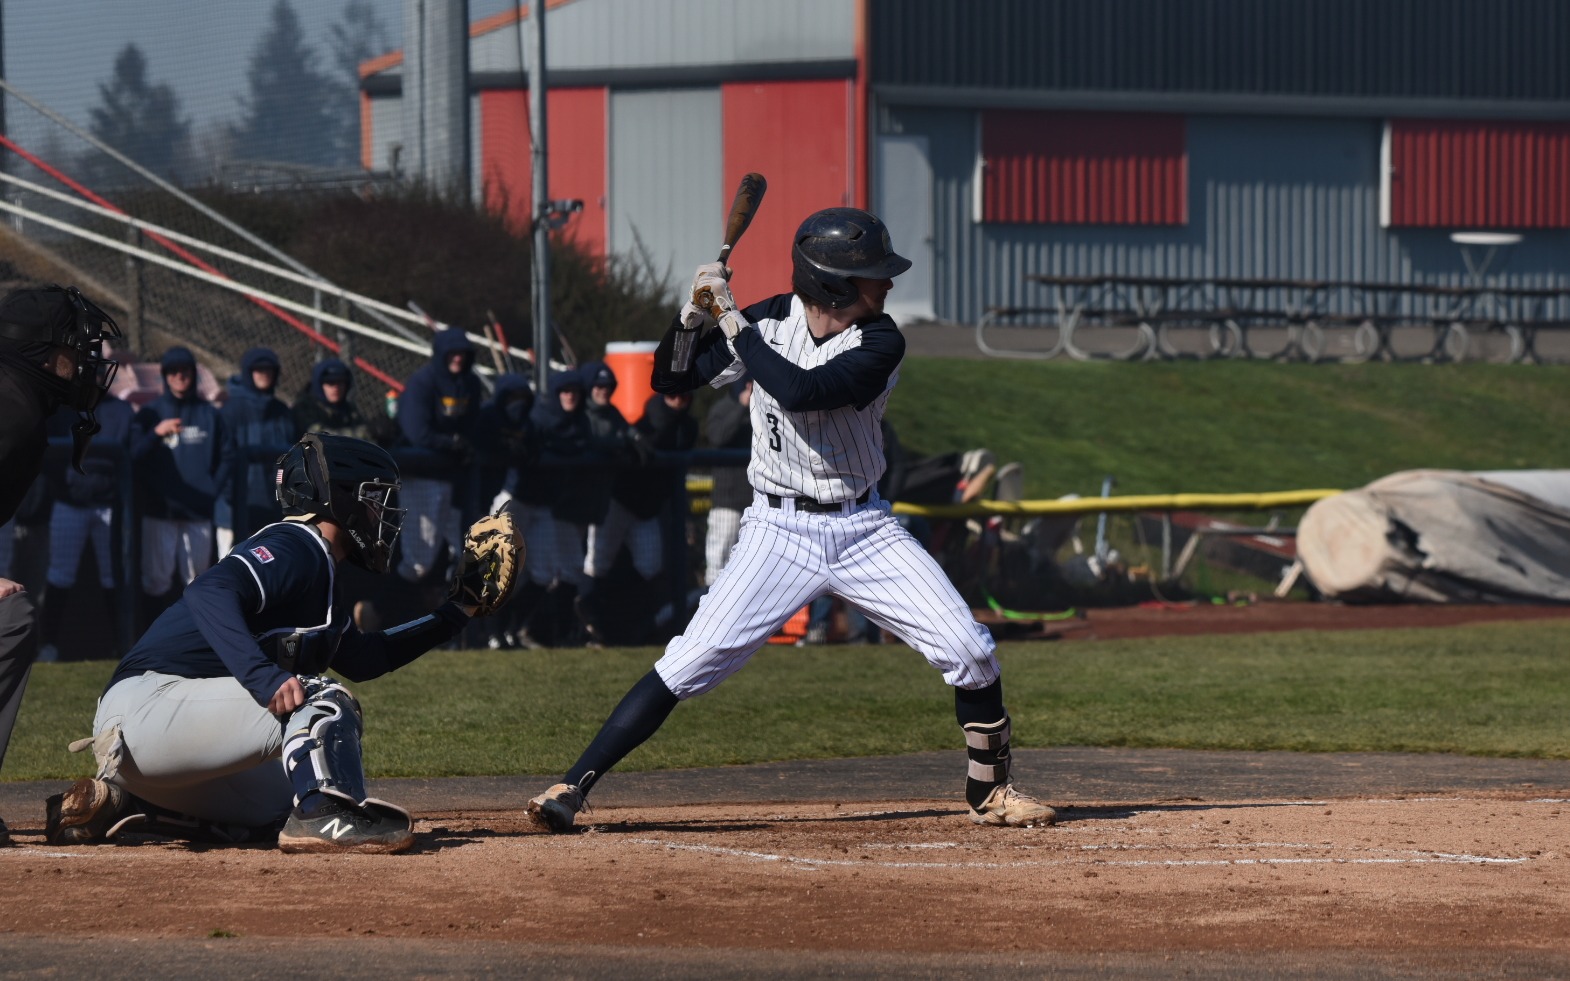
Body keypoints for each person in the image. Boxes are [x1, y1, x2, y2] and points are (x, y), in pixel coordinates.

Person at [527, 207, 1054, 831]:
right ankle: (572, 786)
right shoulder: (769, 318)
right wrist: (691, 315)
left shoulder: (881, 341)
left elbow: (804, 392)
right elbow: (671, 377)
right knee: (690, 661)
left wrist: (729, 317)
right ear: (832, 283)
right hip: (777, 532)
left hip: (864, 530)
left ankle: (990, 791)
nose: (886, 283)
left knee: (971, 650)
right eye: (872, 275)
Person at [44, 433, 481, 853]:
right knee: (322, 698)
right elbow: (208, 591)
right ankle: (329, 814)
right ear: (340, 497)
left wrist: (458, 611)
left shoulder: (320, 570)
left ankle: (127, 806)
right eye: (373, 499)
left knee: (281, 808)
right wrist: (263, 677)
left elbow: (367, 658)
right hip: (145, 707)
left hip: (153, 749)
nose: (382, 513)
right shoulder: (298, 544)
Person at [0, 284, 120, 847]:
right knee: (11, 619)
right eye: (75, 348)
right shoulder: (13, 410)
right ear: (42, 354)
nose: (86, 361)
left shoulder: (16, 398)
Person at [578, 390, 699, 644]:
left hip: (648, 509)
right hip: (620, 502)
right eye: (674, 395)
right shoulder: (650, 419)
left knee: (650, 565)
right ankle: (587, 618)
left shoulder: (688, 427)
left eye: (684, 396)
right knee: (597, 563)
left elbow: (678, 474)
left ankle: (630, 623)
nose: (678, 400)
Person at [133, 347, 231, 625]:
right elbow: (133, 455)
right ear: (165, 375)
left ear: (193, 374)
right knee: (156, 581)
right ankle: (150, 639)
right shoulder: (150, 413)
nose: (180, 376)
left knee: (197, 581)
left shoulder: (210, 414)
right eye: (173, 371)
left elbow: (228, 456)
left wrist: (211, 490)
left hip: (198, 512)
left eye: (185, 371)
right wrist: (156, 433)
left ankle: (194, 640)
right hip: (159, 511)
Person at [38, 393, 136, 661]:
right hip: (69, 503)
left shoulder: (122, 410)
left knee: (113, 575)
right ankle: (48, 646)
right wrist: (66, 483)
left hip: (108, 505)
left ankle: (122, 645)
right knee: (60, 574)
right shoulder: (63, 408)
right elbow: (47, 452)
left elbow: (132, 453)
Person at [396, 328, 483, 584]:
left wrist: (465, 444)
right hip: (421, 476)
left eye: (463, 353)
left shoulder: (470, 383)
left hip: (455, 477)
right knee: (419, 560)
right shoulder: (423, 382)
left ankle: (443, 605)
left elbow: (472, 425)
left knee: (462, 551)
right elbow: (416, 432)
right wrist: (450, 443)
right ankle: (382, 603)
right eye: (452, 353)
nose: (458, 358)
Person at [217, 347, 299, 555]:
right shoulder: (230, 410)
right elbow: (220, 459)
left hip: (273, 510)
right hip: (234, 510)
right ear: (248, 372)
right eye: (259, 370)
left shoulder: (282, 411)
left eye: (269, 370)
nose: (264, 374)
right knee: (231, 568)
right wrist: (230, 496)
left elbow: (291, 460)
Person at [703, 375, 753, 585]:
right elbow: (717, 437)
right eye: (747, 383)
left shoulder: (760, 410)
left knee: (748, 567)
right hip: (727, 503)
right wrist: (741, 406)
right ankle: (708, 602)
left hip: (754, 504)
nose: (750, 387)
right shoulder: (723, 408)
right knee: (718, 565)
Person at [292, 358, 372, 442]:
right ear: (319, 384)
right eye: (330, 383)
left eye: (340, 383)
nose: (336, 388)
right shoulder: (304, 408)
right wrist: (364, 432)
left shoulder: (349, 411)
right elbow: (319, 437)